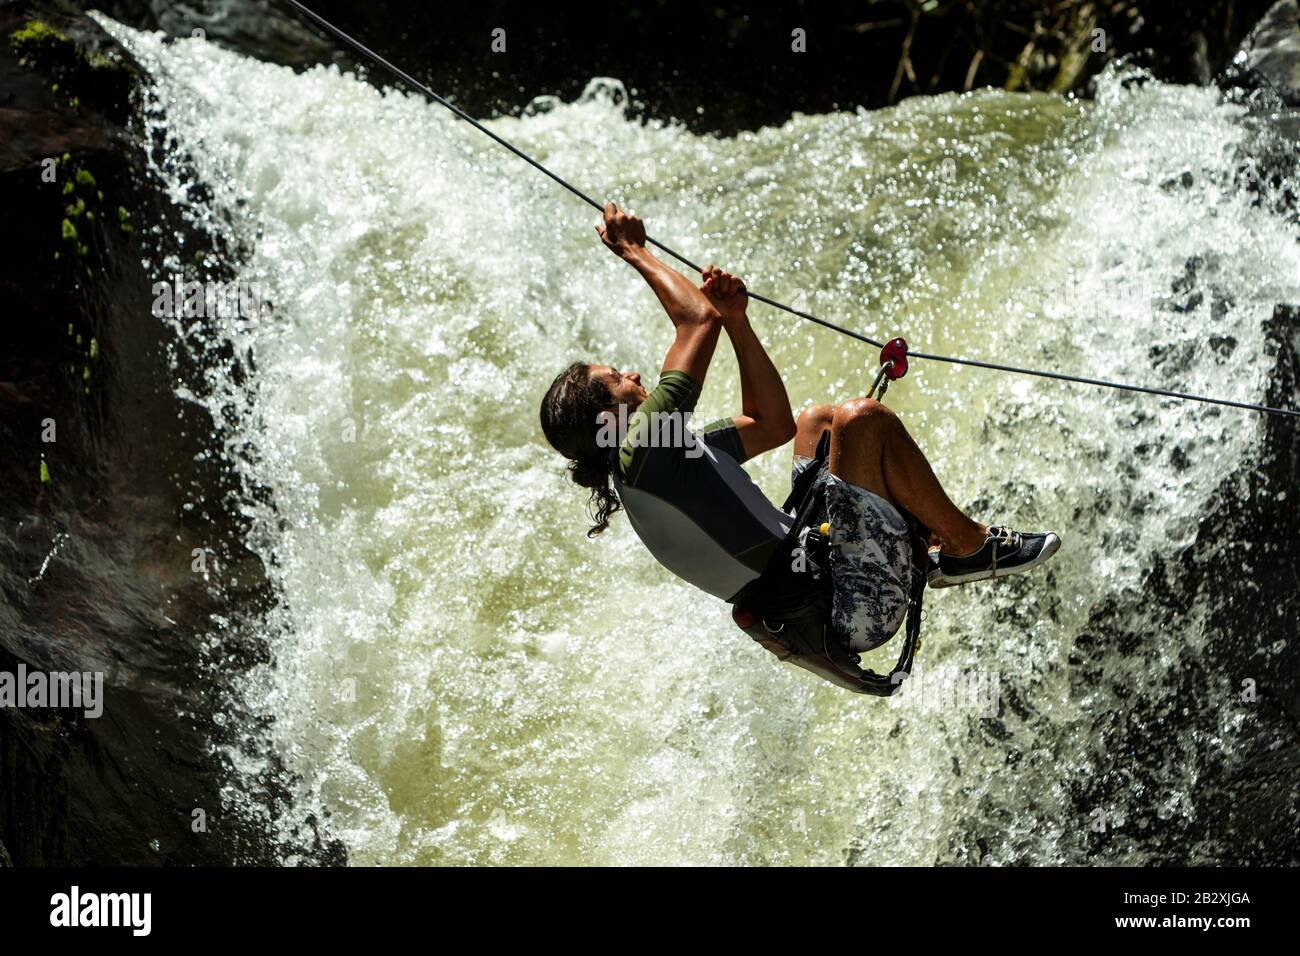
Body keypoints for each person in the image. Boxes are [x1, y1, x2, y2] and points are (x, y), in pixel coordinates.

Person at [540, 202, 1060, 660]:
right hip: (853, 604)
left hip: (831, 575)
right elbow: (697, 320)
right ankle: (969, 547)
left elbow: (772, 425)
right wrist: (634, 250)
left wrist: (737, 319)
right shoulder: (643, 450)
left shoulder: (661, 464)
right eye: (615, 381)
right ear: (607, 419)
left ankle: (922, 547)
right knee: (861, 419)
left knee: (818, 422)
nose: (631, 375)